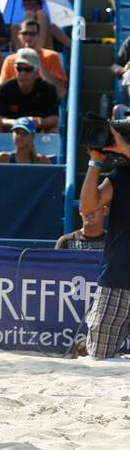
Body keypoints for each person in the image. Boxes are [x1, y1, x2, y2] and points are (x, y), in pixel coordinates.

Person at [79, 128, 130, 358]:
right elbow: (88, 207)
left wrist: (125, 150)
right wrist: (95, 162)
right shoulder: (120, 175)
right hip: (117, 278)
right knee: (99, 356)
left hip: (117, 276)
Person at [0, 18, 67, 101]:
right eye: (24, 33)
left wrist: (38, 63)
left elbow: (61, 92)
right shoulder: (10, 60)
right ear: (19, 35)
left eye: (32, 34)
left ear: (39, 36)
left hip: (42, 105)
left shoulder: (51, 56)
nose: (28, 37)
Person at [0, 48, 60, 133]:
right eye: (19, 69)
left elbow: (54, 119)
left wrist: (38, 122)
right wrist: (15, 123)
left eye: (28, 69)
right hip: (13, 130)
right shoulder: (5, 88)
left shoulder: (48, 89)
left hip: (38, 130)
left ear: (37, 72)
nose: (23, 73)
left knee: (53, 131)